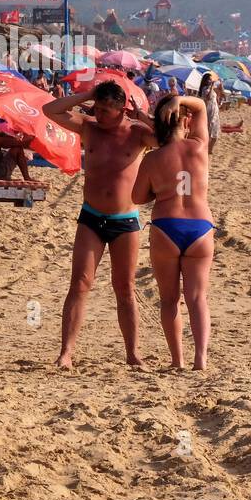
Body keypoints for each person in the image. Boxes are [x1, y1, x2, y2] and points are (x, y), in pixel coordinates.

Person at [45, 80, 157, 369]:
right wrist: (86, 95)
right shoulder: (88, 127)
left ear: (122, 110)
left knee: (125, 287)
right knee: (80, 284)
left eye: (108, 110)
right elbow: (50, 110)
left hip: (125, 220)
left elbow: (167, 139)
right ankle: (66, 352)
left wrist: (141, 114)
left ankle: (133, 354)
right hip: (91, 218)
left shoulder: (137, 133)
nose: (101, 114)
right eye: (98, 108)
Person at [132, 94, 214, 371]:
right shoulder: (199, 147)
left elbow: (137, 197)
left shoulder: (152, 159)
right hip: (200, 227)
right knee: (197, 298)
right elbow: (201, 105)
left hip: (167, 226)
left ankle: (177, 360)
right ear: (185, 120)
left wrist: (160, 190)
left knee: (169, 299)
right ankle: (200, 359)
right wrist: (178, 99)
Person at [197, 73, 224, 152]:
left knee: (215, 130)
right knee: (209, 128)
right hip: (208, 110)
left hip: (215, 109)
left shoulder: (212, 88)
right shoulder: (204, 88)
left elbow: (219, 97)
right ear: (205, 80)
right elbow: (208, 97)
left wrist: (220, 89)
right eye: (209, 79)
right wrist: (212, 86)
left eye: (210, 79)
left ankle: (210, 149)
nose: (210, 81)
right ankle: (206, 148)